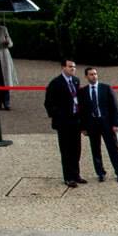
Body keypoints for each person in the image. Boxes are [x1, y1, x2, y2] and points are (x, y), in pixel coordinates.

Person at [44, 58, 87, 187]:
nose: (72, 69)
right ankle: (68, 177)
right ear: (63, 67)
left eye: (74, 67)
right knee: (66, 150)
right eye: (70, 67)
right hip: (64, 122)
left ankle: (76, 174)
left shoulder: (75, 81)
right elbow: (48, 103)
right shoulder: (55, 83)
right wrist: (59, 115)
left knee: (76, 149)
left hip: (75, 120)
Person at [77, 66, 118, 184]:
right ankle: (100, 172)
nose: (94, 76)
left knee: (112, 148)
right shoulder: (83, 92)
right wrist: (83, 127)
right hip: (92, 124)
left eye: (95, 74)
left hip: (106, 123)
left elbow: (114, 107)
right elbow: (81, 110)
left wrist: (116, 123)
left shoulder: (106, 88)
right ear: (86, 76)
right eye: (91, 74)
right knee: (95, 149)